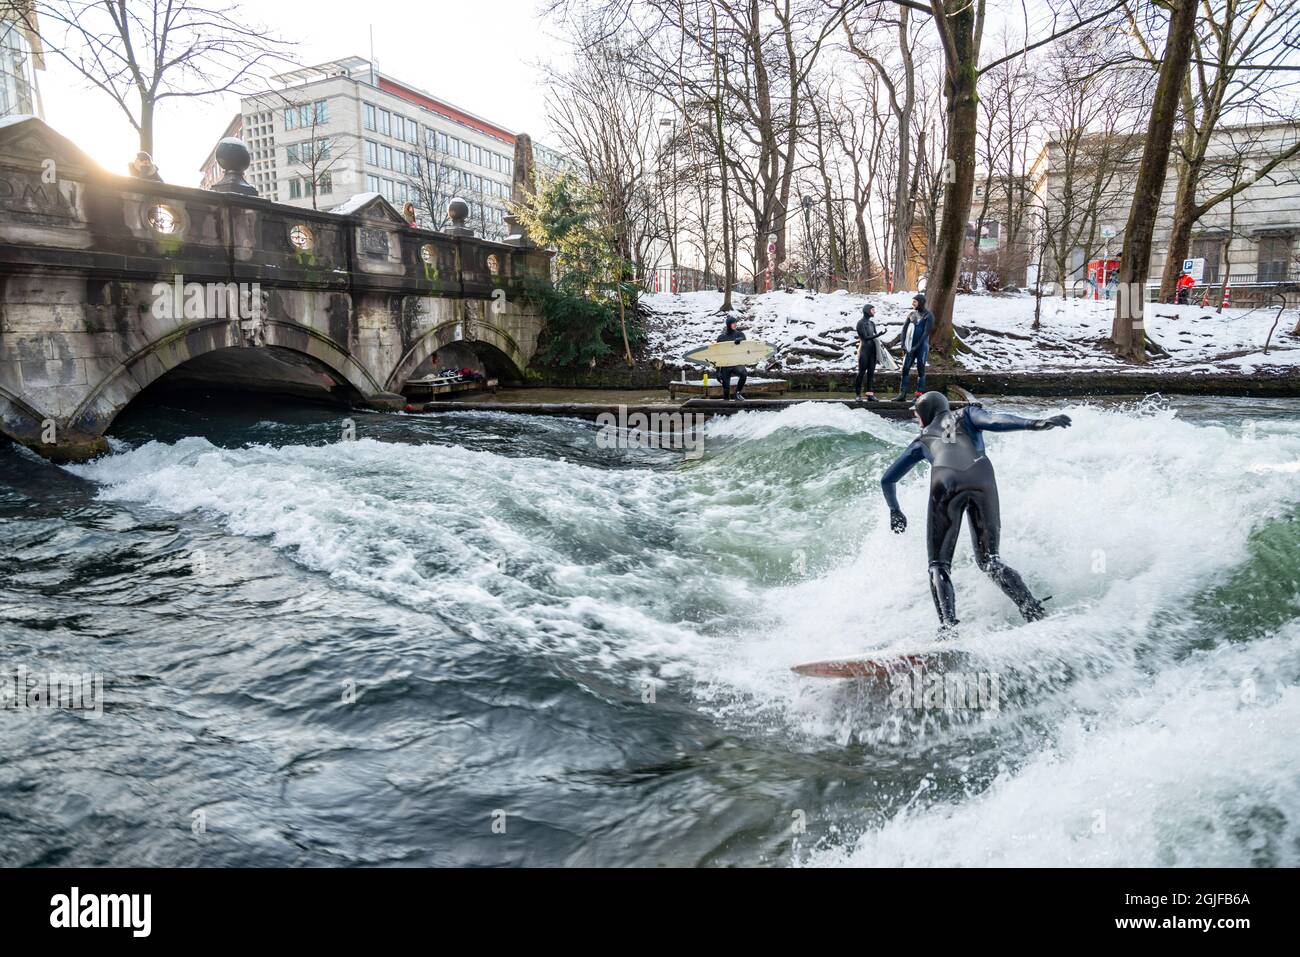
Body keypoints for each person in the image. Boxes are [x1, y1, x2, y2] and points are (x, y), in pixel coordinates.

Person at [880, 391, 1072, 631]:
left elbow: (887, 480)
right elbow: (994, 420)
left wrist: (895, 510)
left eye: (918, 414)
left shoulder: (923, 439)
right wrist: (1034, 424)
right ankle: (1031, 608)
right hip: (982, 478)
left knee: (939, 564)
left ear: (927, 413)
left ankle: (949, 628)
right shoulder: (966, 414)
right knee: (990, 560)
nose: (918, 420)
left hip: (946, 480)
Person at [892, 293, 933, 400]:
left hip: (922, 347)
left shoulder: (928, 315)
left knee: (920, 369)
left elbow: (925, 334)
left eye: (915, 301)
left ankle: (918, 395)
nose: (912, 303)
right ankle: (902, 394)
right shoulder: (911, 314)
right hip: (910, 346)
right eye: (912, 301)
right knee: (905, 369)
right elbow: (904, 330)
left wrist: (916, 347)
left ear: (921, 302)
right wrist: (903, 344)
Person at [854, 303, 884, 401]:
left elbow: (874, 337)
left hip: (872, 351)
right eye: (872, 310)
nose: (874, 312)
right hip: (864, 351)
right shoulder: (860, 323)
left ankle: (870, 394)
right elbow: (865, 337)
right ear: (867, 311)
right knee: (861, 372)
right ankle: (858, 394)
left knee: (871, 373)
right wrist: (878, 335)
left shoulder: (872, 324)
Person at [715, 315, 748, 401]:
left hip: (736, 362)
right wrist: (718, 371)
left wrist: (740, 340)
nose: (735, 325)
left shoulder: (740, 334)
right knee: (726, 390)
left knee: (743, 373)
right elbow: (717, 354)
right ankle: (726, 410)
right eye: (733, 323)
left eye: (735, 323)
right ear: (728, 324)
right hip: (725, 365)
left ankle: (737, 393)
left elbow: (745, 342)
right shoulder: (721, 338)